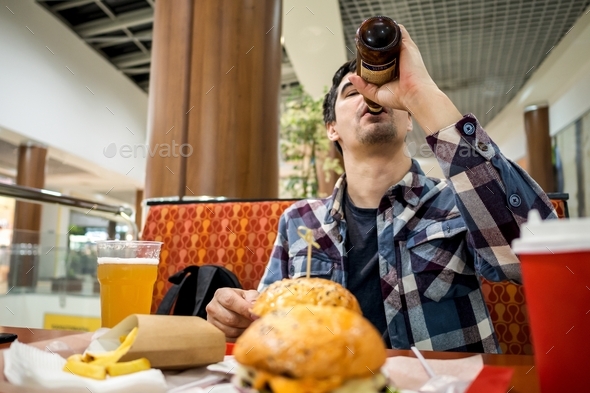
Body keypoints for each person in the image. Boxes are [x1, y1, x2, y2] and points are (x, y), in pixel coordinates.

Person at [206, 24, 556, 353]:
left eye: (381, 93)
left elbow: (536, 257)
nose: (368, 97)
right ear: (332, 128)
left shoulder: (456, 202)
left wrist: (421, 94)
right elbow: (268, 321)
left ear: (408, 120)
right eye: (350, 92)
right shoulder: (298, 221)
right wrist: (238, 319)